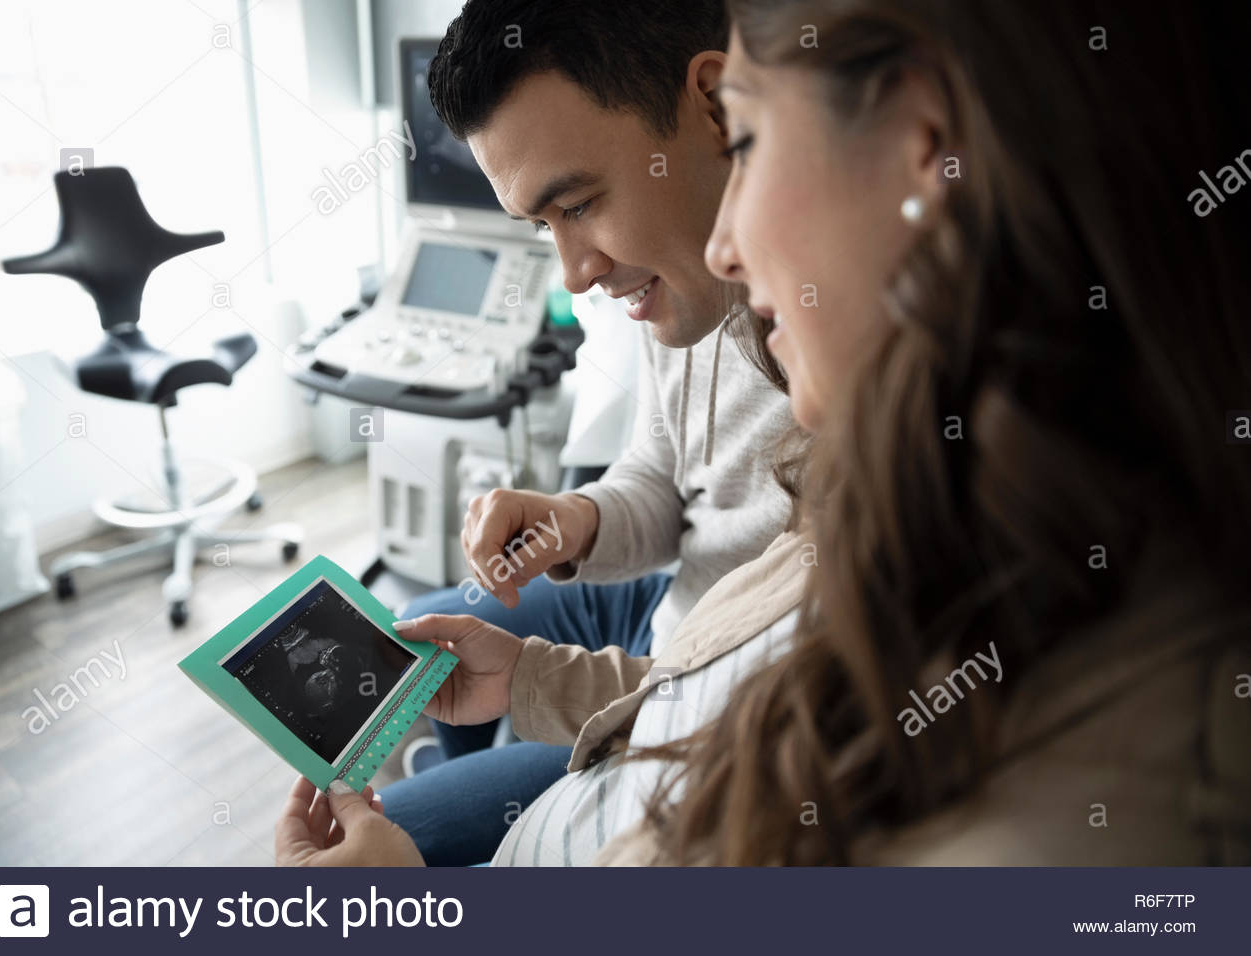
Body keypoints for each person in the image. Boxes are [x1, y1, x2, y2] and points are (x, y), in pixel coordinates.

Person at [276, 0, 1250, 867]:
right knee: (436, 635)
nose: (728, 248)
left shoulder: (857, 418)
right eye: (544, 226)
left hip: (660, 674)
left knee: (408, 810)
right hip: (663, 658)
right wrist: (565, 566)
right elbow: (719, 665)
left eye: (745, 140)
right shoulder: (879, 478)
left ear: (923, 143)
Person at [371, 0, 796, 865]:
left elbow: (743, 696)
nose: (575, 273)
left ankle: (516, 770)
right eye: (541, 225)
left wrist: (535, 684)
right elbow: (663, 476)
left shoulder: (833, 348)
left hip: (704, 667)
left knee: (404, 834)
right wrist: (575, 520)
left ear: (716, 106)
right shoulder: (679, 279)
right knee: (425, 624)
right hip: (676, 605)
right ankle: (509, 762)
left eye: (578, 203)